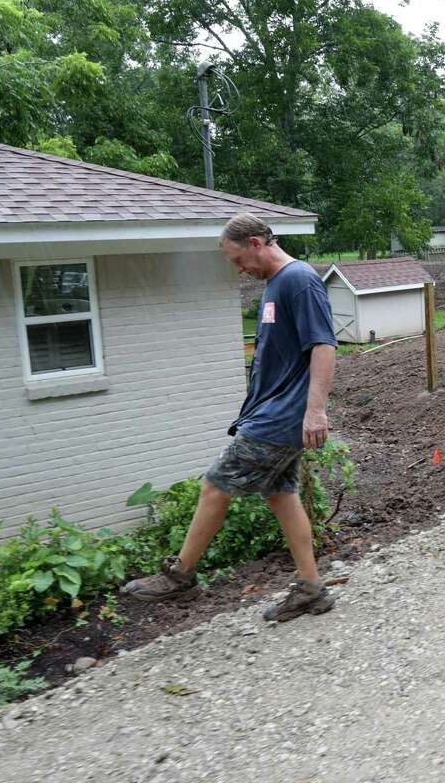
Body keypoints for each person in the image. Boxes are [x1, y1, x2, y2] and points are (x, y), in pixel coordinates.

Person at [122, 213, 338, 622]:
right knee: (281, 496)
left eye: (238, 259)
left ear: (257, 243)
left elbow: (324, 346)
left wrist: (315, 410)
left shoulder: (299, 280)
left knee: (214, 486)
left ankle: (179, 575)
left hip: (282, 417)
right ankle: (311, 588)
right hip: (273, 412)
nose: (238, 269)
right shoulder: (277, 285)